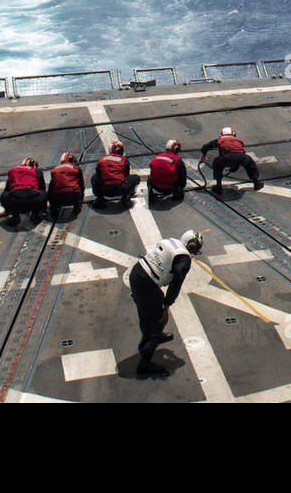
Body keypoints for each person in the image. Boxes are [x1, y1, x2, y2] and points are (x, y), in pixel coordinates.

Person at [128, 229, 204, 376]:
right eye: (194, 246)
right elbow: (175, 285)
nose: (194, 249)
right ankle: (145, 362)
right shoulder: (184, 259)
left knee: (150, 315)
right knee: (157, 320)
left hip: (137, 273)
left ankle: (153, 335)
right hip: (147, 283)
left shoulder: (172, 242)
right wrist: (166, 306)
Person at [198, 126, 263, 194]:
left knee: (216, 163)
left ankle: (218, 186)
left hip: (227, 157)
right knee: (250, 163)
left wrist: (203, 155)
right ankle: (256, 182)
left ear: (222, 134)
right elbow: (237, 159)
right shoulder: (239, 141)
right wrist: (231, 170)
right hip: (242, 157)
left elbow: (205, 147)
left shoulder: (220, 140)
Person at [1, 157, 46, 226]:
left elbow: (7, 189)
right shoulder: (38, 172)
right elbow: (42, 187)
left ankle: (14, 217)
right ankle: (35, 215)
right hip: (33, 200)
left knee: (4, 195)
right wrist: (43, 208)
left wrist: (7, 210)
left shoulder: (13, 171)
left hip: (16, 201)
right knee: (43, 193)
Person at [92, 140, 138, 207]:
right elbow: (126, 175)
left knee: (94, 178)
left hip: (104, 190)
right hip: (121, 189)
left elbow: (98, 174)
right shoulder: (124, 160)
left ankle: (100, 198)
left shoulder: (101, 160)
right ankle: (126, 197)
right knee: (136, 178)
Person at [48, 151, 84, 218]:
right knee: (79, 185)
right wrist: (81, 199)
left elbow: (51, 188)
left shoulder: (54, 170)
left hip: (58, 197)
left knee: (52, 186)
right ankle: (77, 207)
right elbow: (81, 185)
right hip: (74, 196)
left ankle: (54, 210)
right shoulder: (77, 169)